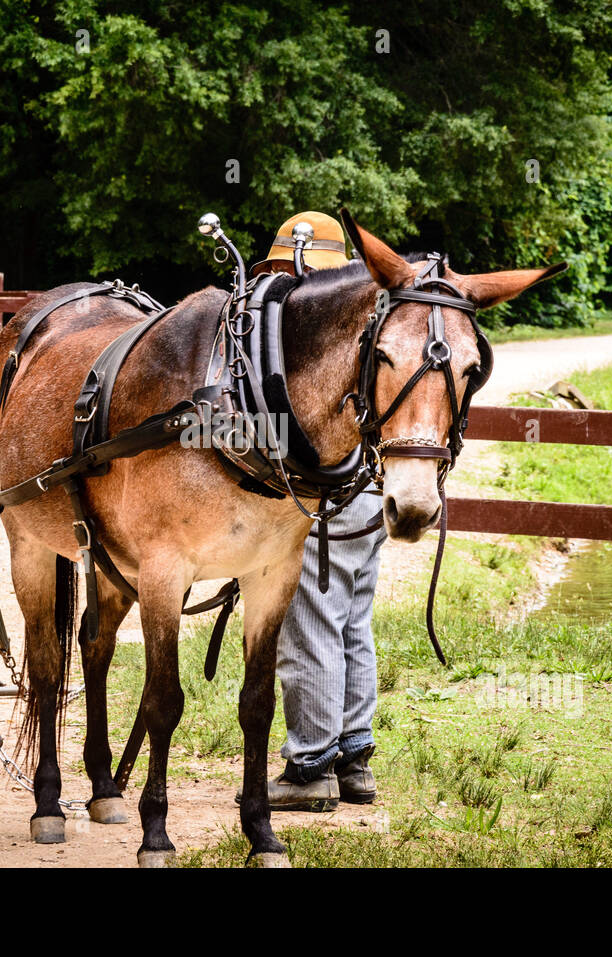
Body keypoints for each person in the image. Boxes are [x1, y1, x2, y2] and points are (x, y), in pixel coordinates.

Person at [249, 212, 385, 812]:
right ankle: (354, 761)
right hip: (372, 491)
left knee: (310, 630)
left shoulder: (309, 339)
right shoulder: (369, 328)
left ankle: (310, 770)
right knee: (353, 622)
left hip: (327, 500)